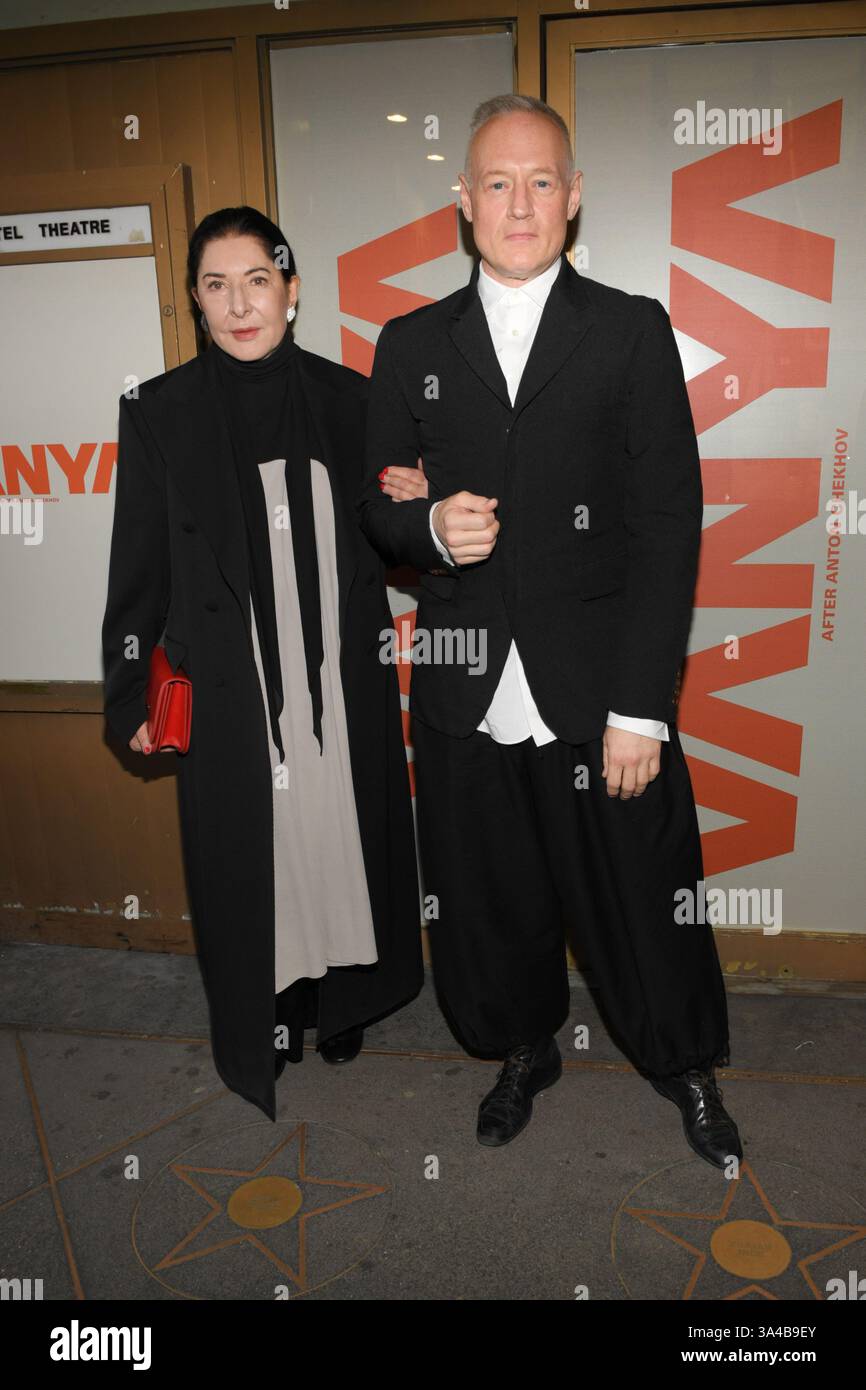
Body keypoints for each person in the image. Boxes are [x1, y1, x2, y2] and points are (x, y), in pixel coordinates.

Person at [358, 96, 742, 1169]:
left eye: (539, 181)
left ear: (572, 199)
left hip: (599, 690)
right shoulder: (407, 343)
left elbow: (667, 524)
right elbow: (377, 506)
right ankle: (522, 1046)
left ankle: (683, 1061)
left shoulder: (629, 329)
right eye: (494, 181)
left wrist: (639, 708)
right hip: (464, 688)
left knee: (641, 896)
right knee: (490, 895)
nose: (517, 202)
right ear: (462, 204)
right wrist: (427, 524)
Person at [101, 206, 424, 1121]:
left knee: (340, 833)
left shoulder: (352, 399)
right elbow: (139, 565)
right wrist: (128, 684)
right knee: (256, 854)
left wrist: (419, 501)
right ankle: (273, 1012)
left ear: (292, 287)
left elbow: (394, 535)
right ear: (196, 303)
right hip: (236, 685)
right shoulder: (159, 413)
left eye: (256, 280)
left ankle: (345, 999)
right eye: (215, 285)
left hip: (336, 676)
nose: (239, 304)